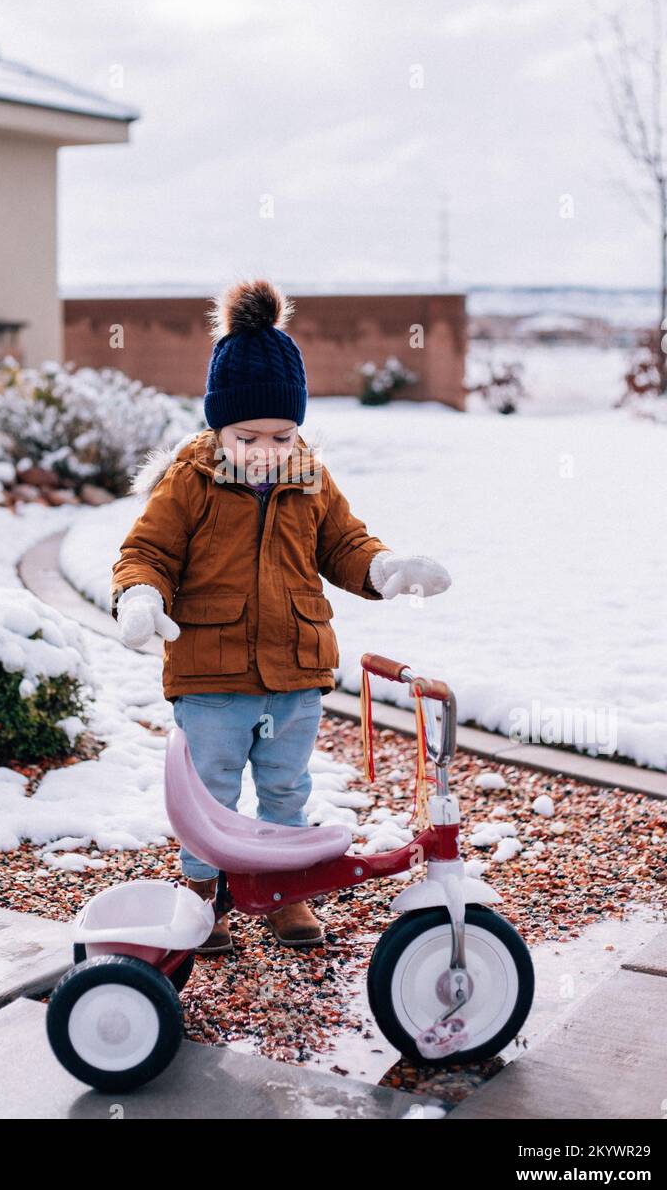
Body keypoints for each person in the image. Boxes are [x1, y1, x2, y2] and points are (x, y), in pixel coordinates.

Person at [111, 280, 451, 953]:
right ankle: (201, 892)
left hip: (295, 672)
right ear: (218, 427)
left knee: (287, 787)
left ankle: (283, 893)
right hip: (211, 677)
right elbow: (146, 551)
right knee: (208, 792)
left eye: (283, 434)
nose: (268, 448)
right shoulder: (190, 481)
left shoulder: (312, 480)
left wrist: (385, 571)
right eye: (249, 435)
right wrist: (142, 595)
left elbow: (345, 545)